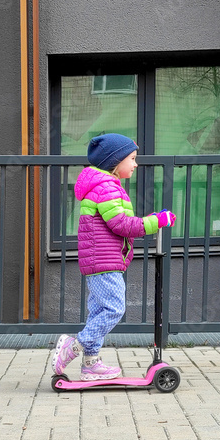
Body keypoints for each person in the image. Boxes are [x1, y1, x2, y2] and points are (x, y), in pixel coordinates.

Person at [50, 133, 176, 380]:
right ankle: (73, 347)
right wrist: (157, 221)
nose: (135, 164)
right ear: (115, 162)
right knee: (114, 309)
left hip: (98, 260)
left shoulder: (102, 185)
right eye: (132, 158)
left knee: (98, 312)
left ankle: (91, 364)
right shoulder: (106, 187)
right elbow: (121, 224)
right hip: (104, 261)